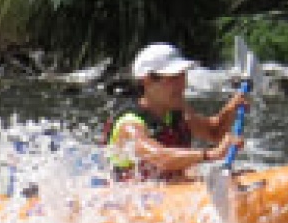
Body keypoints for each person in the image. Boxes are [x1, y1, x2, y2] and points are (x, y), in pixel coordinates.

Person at [105, 42, 247, 183]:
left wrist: (231, 108)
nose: (181, 84)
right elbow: (160, 157)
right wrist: (211, 154)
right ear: (147, 81)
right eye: (173, 78)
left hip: (170, 189)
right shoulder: (129, 124)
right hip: (132, 197)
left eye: (182, 75)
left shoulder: (178, 110)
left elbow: (214, 132)